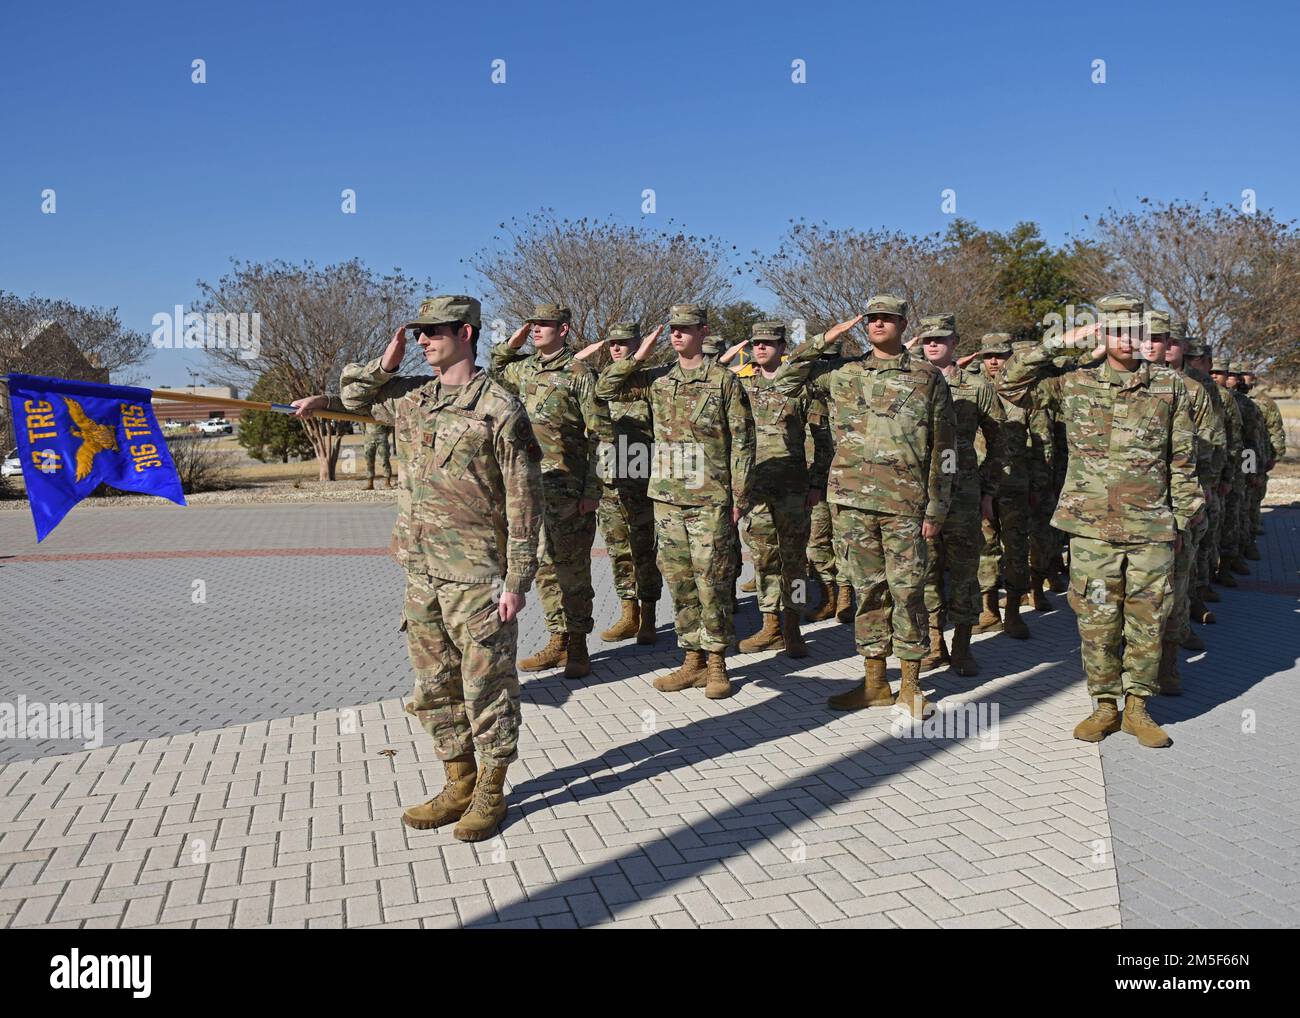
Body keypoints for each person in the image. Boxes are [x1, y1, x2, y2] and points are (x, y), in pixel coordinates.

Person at [295, 295, 544, 841]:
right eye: (417, 333)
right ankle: (457, 780)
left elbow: (526, 497)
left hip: (478, 576)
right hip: (420, 570)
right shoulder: (414, 399)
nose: (423, 341)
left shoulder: (499, 406)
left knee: (488, 688)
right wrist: (384, 366)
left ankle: (491, 791)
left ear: (467, 333)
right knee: (434, 687)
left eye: (433, 332)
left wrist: (518, 579)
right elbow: (357, 397)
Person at [999, 294, 1203, 748]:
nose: (1127, 340)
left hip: (1152, 527)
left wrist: (1186, 522)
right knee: (1096, 618)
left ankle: (1138, 707)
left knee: (1148, 619)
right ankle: (1105, 704)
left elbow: (1183, 461)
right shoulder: (1074, 383)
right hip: (1091, 528)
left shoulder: (1170, 388)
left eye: (1135, 331)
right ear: (1102, 335)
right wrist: (1060, 343)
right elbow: (1010, 385)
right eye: (1116, 331)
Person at [774, 296, 956, 717]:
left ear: (903, 323)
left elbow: (945, 449)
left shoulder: (927, 378)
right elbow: (785, 378)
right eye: (871, 318)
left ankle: (911, 686)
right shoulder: (843, 373)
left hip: (906, 503)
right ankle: (875, 683)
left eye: (886, 318)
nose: (877, 324)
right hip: (852, 503)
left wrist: (937, 507)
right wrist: (824, 338)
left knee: (908, 591)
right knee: (867, 591)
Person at [593, 304, 756, 698]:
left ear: (703, 331)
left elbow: (743, 441)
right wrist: (638, 356)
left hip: (709, 498)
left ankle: (717, 663)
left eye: (685, 329)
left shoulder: (724, 382)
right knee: (680, 581)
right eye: (672, 330)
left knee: (711, 580)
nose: (677, 336)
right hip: (666, 498)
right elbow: (604, 390)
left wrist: (740, 495)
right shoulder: (659, 381)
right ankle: (692, 661)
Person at [490, 303, 607, 679]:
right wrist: (512, 344)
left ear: (564, 329)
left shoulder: (579, 374)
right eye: (533, 324)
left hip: (569, 489)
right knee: (542, 570)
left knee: (572, 569)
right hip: (530, 488)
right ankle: (556, 639)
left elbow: (602, 436)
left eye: (543, 324)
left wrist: (592, 488)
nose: (536, 329)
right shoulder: (522, 370)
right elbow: (492, 374)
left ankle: (578, 644)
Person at [722, 320, 832, 658]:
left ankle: (793, 626)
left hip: (793, 489)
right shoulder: (739, 387)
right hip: (756, 489)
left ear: (783, 348)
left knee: (795, 561)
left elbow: (822, 438)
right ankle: (770, 626)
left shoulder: (801, 389)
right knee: (764, 559)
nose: (761, 347)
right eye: (756, 342)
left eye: (769, 343)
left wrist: (817, 481)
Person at [915, 315, 1007, 676]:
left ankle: (963, 645)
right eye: (927, 339)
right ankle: (934, 642)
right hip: (922, 491)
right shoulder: (911, 381)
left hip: (964, 491)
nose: (933, 345)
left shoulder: (977, 386)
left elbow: (1000, 438)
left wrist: (989, 487)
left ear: (955, 343)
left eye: (941, 339)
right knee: (927, 570)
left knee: (966, 569)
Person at [575, 322, 661, 644]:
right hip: (608, 481)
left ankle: (650, 617)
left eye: (623, 343)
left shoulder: (650, 381)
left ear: (638, 344)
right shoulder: (599, 382)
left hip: (639, 479)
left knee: (644, 551)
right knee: (618, 551)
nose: (616, 348)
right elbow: (588, 381)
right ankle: (629, 614)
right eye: (611, 343)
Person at [1244, 367, 1287, 537]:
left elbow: (1275, 429)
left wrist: (1275, 455)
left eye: (1244, 375)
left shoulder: (1263, 401)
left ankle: (1252, 529)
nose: (1240, 379)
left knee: (1254, 490)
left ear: (1252, 377)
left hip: (1255, 454)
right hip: (1239, 454)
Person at [362, 421, 394, 490]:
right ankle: (370, 483)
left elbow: (390, 423)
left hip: (382, 437)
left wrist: (385, 433)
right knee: (369, 461)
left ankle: (387, 483)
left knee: (385, 460)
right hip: (369, 437)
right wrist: (366, 433)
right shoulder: (366, 411)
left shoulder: (383, 410)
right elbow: (362, 423)